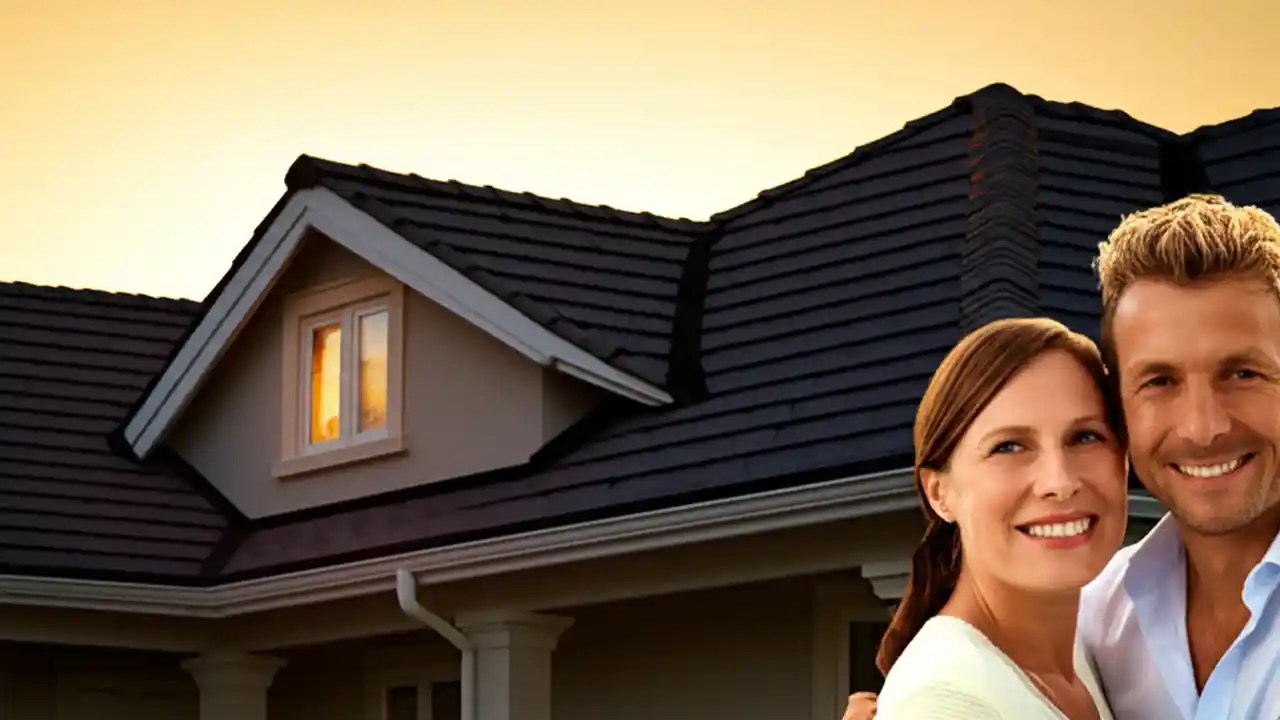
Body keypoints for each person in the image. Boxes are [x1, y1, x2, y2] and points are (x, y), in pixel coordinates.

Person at [844, 195, 1280, 720]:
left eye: (1243, 373)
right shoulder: (1101, 618)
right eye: (1159, 381)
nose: (1203, 427)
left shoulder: (1082, 633)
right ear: (1124, 410)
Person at [866, 316, 1128, 719]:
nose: (1059, 482)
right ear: (939, 492)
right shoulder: (942, 702)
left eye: (1085, 437)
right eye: (1008, 447)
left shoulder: (1092, 652)